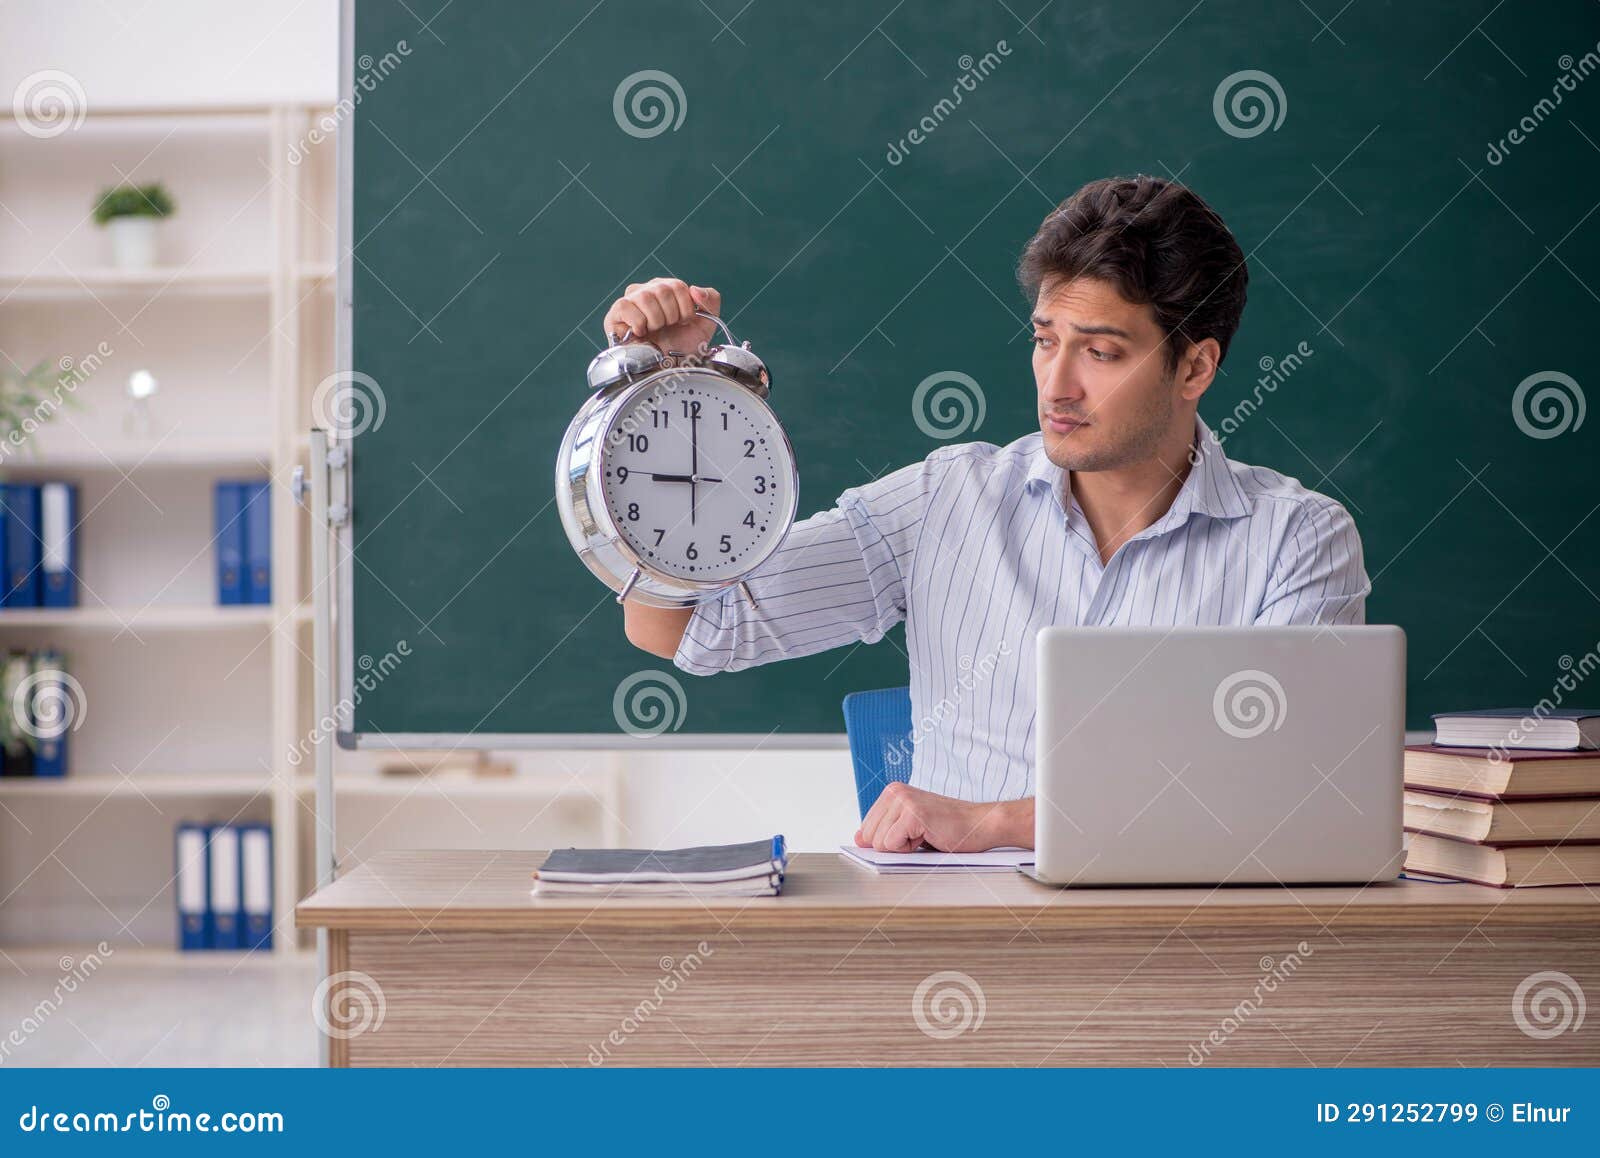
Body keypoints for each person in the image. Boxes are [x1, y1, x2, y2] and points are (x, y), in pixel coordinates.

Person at [612, 175, 1368, 854]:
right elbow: (682, 629)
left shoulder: (1296, 541)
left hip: (1185, 964)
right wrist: (674, 403)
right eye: (1046, 342)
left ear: (1195, 366)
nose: (1058, 386)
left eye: (1101, 353)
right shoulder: (946, 499)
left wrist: (995, 822)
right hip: (959, 950)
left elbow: (1291, 802)